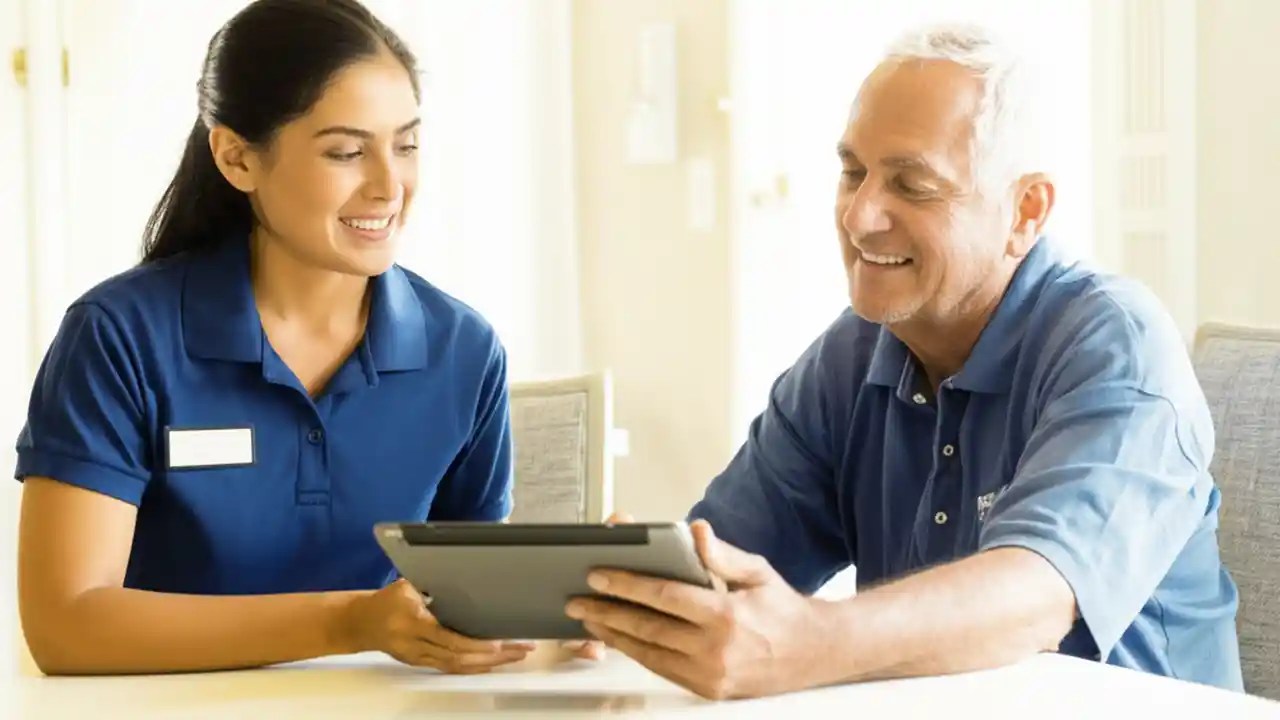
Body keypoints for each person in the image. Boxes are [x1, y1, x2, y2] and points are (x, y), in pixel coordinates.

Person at [566, 24, 1244, 699]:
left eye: (911, 185)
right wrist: (607, 601)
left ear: (1024, 212)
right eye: (853, 172)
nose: (859, 217)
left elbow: (1034, 594)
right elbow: (724, 567)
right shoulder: (855, 353)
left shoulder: (1116, 346)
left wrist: (805, 642)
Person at [14, 0, 541, 676]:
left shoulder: (464, 351)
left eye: (406, 145)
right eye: (346, 152)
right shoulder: (120, 337)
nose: (389, 186)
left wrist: (571, 611)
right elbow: (67, 624)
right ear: (237, 158)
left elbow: (469, 611)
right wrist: (349, 622)